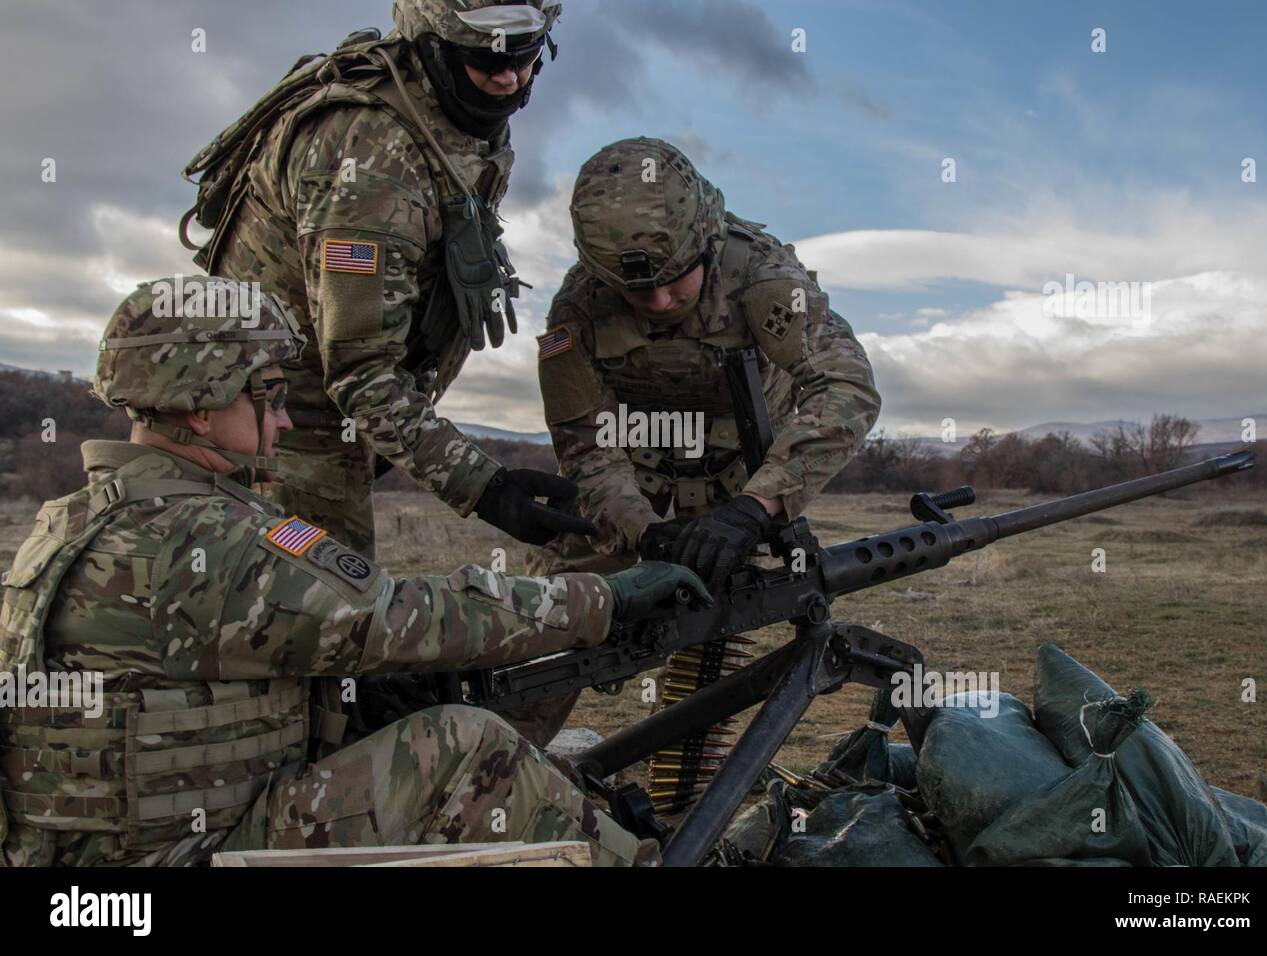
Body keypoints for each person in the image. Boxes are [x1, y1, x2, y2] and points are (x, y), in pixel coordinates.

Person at [0, 277, 707, 867]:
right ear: (200, 400)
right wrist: (605, 598)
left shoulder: (72, 519)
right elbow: (407, 616)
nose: (282, 421)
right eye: (269, 394)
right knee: (458, 746)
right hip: (185, 858)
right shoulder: (204, 536)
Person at [180, 0, 585, 559]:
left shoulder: (445, 111)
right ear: (432, 48)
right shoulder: (371, 161)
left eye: (527, 57)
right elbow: (359, 372)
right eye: (487, 62)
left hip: (322, 414)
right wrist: (487, 489)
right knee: (323, 613)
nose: (510, 78)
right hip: (279, 425)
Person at [528, 136, 882, 589]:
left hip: (744, 483)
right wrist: (642, 531)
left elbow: (845, 387)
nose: (658, 301)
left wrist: (758, 505)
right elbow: (586, 446)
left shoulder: (763, 276)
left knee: (726, 617)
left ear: (707, 240)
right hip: (628, 481)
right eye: (634, 290)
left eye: (674, 277)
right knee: (565, 608)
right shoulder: (578, 308)